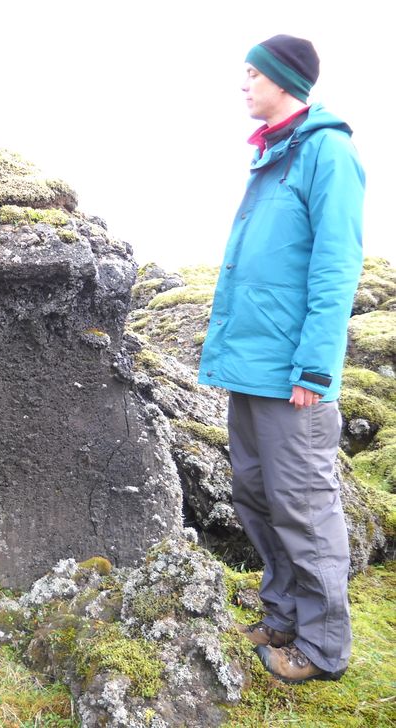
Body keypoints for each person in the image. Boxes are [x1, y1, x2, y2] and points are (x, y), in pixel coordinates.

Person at [197, 34, 365, 684]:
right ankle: (284, 613)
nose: (243, 84)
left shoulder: (328, 151)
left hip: (296, 377)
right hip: (254, 371)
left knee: (303, 506)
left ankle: (323, 649)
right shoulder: (275, 153)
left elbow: (335, 266)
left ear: (283, 80)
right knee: (256, 495)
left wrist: (316, 368)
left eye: (252, 74)